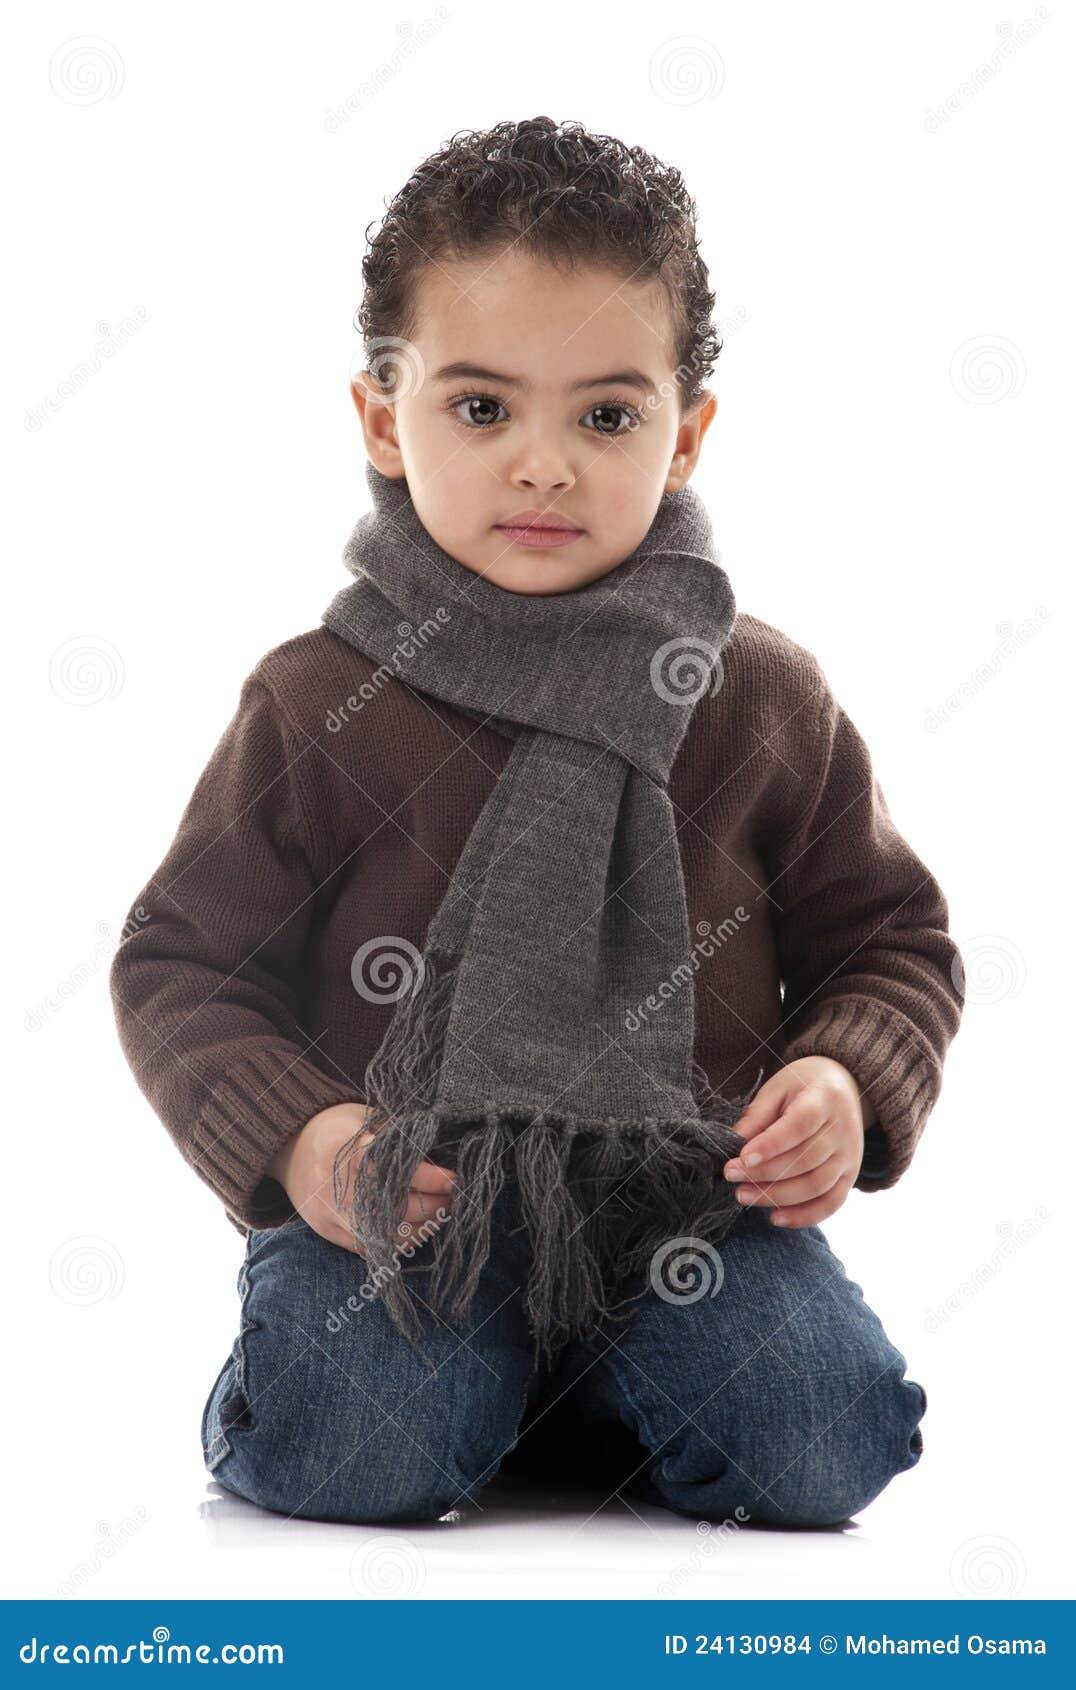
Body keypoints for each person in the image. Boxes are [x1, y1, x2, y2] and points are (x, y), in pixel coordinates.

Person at [109, 116, 962, 1529]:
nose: (546, 466)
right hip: (406, 1210)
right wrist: (307, 1139)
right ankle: (399, 1390)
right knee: (360, 1447)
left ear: (685, 433)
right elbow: (180, 961)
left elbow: (892, 940)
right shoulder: (326, 694)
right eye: (485, 408)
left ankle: (579, 1391)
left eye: (608, 415)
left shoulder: (753, 694)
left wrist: (844, 1081)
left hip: (685, 1213)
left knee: (822, 1432)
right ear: (387, 418)